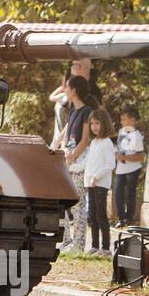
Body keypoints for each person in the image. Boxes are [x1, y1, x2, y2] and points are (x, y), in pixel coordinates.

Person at [60, 74, 94, 250]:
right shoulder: (71, 111)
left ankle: (79, 244)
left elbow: (85, 139)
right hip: (67, 159)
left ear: (74, 90)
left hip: (79, 161)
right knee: (62, 202)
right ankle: (65, 239)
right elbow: (67, 136)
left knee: (79, 205)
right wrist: (64, 151)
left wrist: (72, 155)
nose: (64, 90)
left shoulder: (87, 111)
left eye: (67, 87)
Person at [83, 109, 117, 255]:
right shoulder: (94, 143)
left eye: (97, 123)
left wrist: (96, 176)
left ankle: (105, 248)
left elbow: (110, 165)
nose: (94, 126)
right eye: (92, 123)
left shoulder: (107, 142)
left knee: (101, 215)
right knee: (92, 216)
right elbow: (87, 162)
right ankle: (95, 246)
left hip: (100, 184)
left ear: (104, 124)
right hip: (90, 184)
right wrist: (72, 165)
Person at [113, 106, 146, 228]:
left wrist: (124, 158)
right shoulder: (121, 132)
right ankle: (121, 219)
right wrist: (116, 154)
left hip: (132, 169)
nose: (122, 122)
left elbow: (140, 156)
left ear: (132, 120)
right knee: (118, 193)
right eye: (121, 119)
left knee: (130, 194)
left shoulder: (136, 136)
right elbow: (119, 147)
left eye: (124, 119)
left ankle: (129, 219)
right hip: (120, 169)